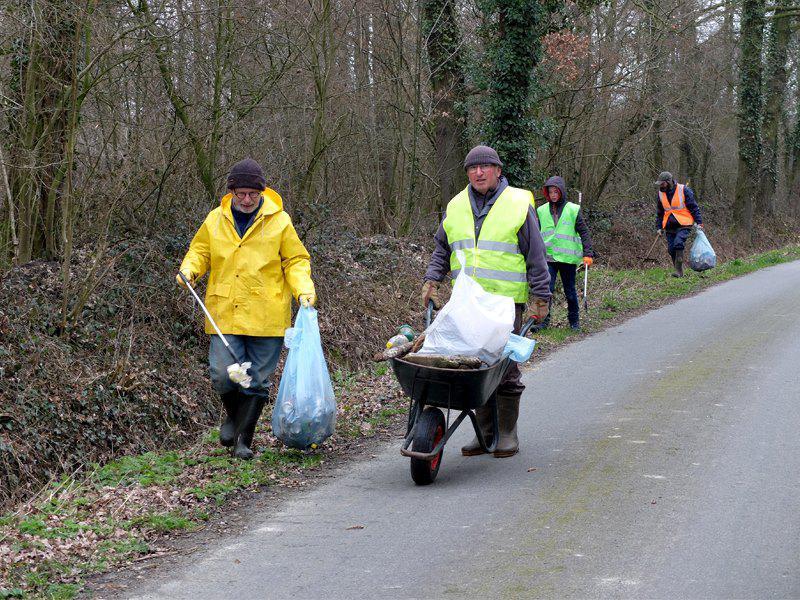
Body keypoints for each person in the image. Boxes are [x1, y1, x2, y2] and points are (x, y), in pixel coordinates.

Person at [177, 158, 316, 459]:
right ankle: (233, 416)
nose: (246, 199)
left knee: (255, 379)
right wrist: (189, 269)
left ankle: (244, 440)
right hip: (224, 312)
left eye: (252, 194)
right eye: (240, 193)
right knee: (223, 373)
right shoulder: (215, 219)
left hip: (267, 314)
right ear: (231, 192)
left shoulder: (279, 221)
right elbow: (200, 251)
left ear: (261, 192)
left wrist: (304, 290)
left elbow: (295, 260)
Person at [421, 145, 551, 458]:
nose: (478, 172)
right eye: (472, 168)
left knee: (504, 366)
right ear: (467, 172)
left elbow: (536, 254)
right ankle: (485, 432)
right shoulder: (456, 205)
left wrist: (540, 295)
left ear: (497, 170)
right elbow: (442, 247)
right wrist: (432, 280)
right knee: (472, 364)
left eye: (485, 167)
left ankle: (506, 433)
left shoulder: (518, 203)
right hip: (468, 302)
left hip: (506, 304)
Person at [536, 176, 595, 331]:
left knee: (570, 291)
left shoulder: (572, 209)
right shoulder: (541, 210)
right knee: (546, 289)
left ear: (561, 192)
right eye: (550, 192)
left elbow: (584, 232)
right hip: (548, 257)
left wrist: (588, 253)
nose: (553, 195)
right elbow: (535, 234)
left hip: (568, 259)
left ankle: (574, 321)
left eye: (556, 192)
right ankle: (543, 322)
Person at [655, 171, 703, 277]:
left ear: (669, 181)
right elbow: (660, 212)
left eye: (662, 183)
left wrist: (699, 222)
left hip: (684, 224)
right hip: (669, 226)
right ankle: (678, 270)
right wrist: (659, 227)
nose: (661, 186)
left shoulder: (683, 190)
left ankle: (678, 271)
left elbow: (694, 207)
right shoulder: (660, 194)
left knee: (678, 243)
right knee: (671, 249)